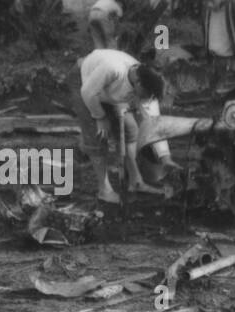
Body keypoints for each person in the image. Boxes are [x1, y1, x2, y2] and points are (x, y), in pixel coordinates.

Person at [73, 48, 177, 203]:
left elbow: (154, 124)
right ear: (138, 84)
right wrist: (100, 117)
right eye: (144, 96)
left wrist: (165, 157)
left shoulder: (149, 85)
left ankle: (135, 181)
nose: (145, 100)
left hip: (110, 94)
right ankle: (104, 190)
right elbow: (87, 92)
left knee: (130, 131)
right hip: (85, 83)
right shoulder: (113, 69)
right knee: (99, 136)